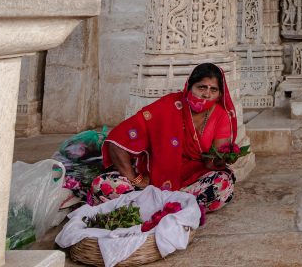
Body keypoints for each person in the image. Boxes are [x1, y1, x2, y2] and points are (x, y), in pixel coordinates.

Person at [90, 62, 238, 216]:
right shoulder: (169, 105)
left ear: (220, 94)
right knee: (101, 185)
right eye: (201, 87)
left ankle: (149, 205)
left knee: (222, 184)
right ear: (189, 87)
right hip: (153, 176)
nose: (206, 94)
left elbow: (212, 162)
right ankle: (174, 205)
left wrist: (223, 159)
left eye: (213, 89)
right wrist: (135, 179)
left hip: (193, 178)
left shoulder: (221, 116)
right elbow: (117, 140)